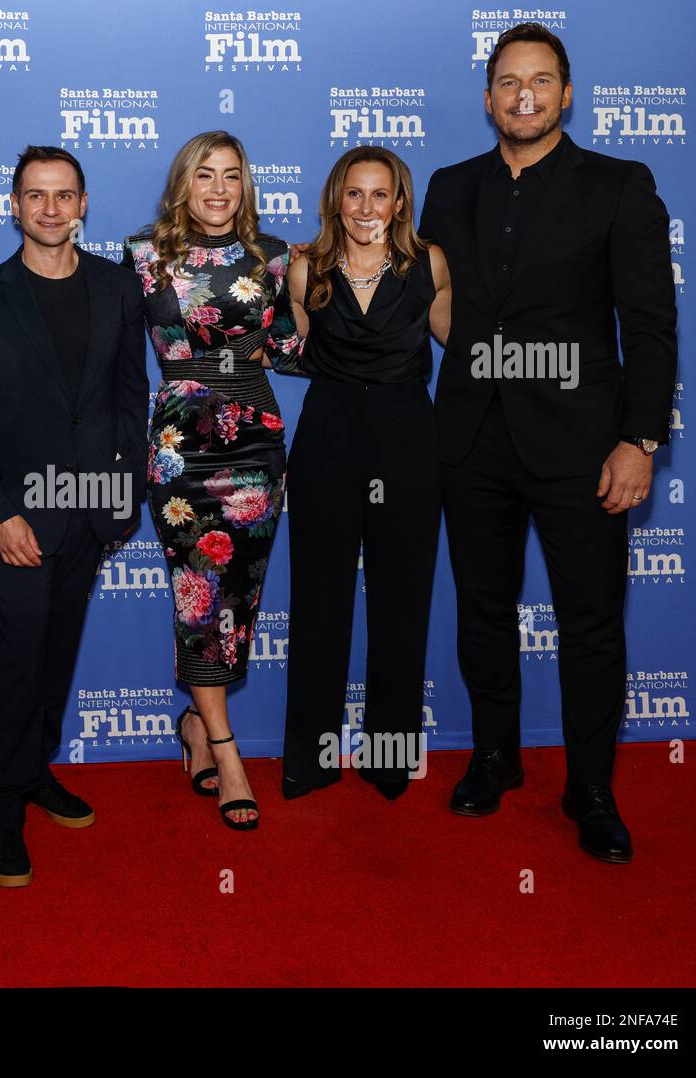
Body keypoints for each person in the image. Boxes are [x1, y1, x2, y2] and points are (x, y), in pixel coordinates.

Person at [418, 23, 677, 862]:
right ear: (488, 95)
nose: (522, 94)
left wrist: (640, 439)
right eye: (506, 81)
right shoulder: (449, 187)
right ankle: (495, 757)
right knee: (485, 614)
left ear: (567, 94)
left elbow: (650, 325)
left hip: (582, 446)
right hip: (472, 439)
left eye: (540, 80)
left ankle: (591, 788)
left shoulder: (619, 184)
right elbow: (436, 308)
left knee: (591, 625)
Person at [0, 146, 148, 887]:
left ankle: (35, 773)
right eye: (36, 196)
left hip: (91, 513)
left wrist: (123, 493)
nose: (51, 209)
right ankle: (1, 803)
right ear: (13, 206)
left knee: (59, 652)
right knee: (15, 662)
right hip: (21, 521)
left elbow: (132, 397)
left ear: (84, 203)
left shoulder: (117, 287)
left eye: (64, 195)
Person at [123, 131, 304, 831]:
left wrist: (314, 287)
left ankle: (197, 728)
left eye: (233, 175)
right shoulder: (144, 256)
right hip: (177, 447)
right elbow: (102, 330)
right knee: (196, 592)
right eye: (206, 175)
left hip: (256, 441)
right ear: (183, 184)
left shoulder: (273, 256)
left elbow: (289, 350)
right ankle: (227, 751)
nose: (220, 188)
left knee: (239, 595)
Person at [279, 148, 451, 801]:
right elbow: (285, 351)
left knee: (402, 604)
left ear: (400, 204)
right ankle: (311, 760)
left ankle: (388, 762)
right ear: (335, 200)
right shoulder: (306, 267)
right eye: (355, 194)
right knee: (318, 605)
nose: (367, 208)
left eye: (381, 195)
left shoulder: (428, 265)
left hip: (408, 445)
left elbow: (460, 345)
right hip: (327, 443)